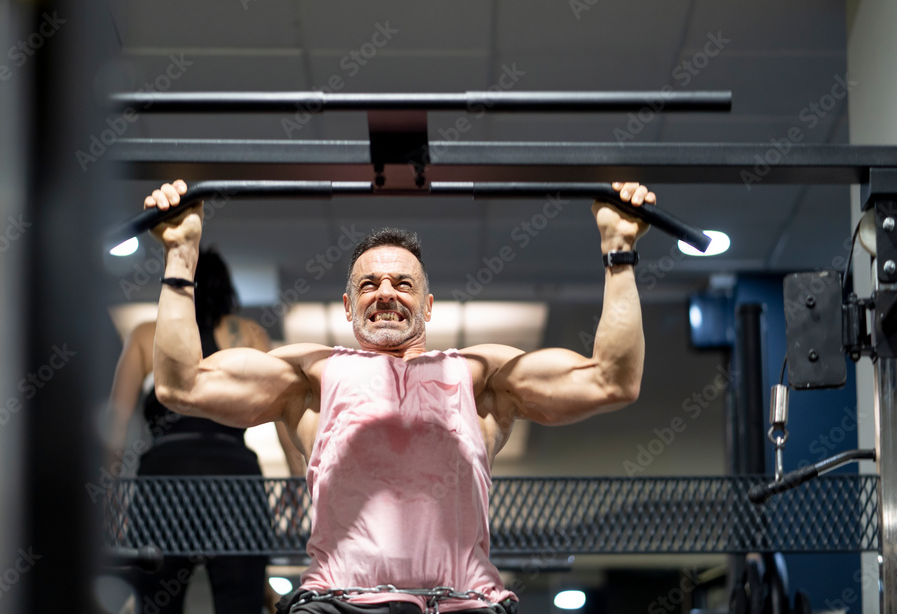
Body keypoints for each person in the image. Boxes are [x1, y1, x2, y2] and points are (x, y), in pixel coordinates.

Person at [144, 180, 655, 614]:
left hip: (463, 603)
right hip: (338, 603)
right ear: (349, 307)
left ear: (427, 306)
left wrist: (619, 251)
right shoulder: (312, 379)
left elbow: (611, 381)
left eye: (402, 283)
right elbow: (180, 384)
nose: (385, 292)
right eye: (369, 284)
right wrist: (181, 255)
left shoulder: (480, 378)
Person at [107, 248, 306, 614]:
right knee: (240, 606)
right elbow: (285, 415)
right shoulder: (249, 334)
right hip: (235, 482)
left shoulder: (146, 335)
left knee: (157, 606)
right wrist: (296, 486)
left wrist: (110, 495)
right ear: (227, 289)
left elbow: (115, 424)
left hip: (166, 482)